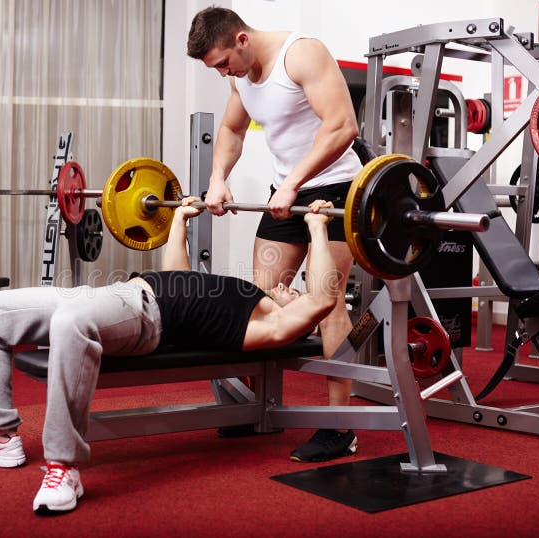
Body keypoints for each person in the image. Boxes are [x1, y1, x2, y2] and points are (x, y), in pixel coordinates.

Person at [0, 197, 339, 516]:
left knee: (70, 322)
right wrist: (180, 221)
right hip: (113, 295)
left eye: (297, 294)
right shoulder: (245, 297)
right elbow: (180, 276)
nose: (293, 288)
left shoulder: (270, 326)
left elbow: (323, 297)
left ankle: (63, 467)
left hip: (143, 317)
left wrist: (317, 230)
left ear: (301, 319)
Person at [187, 7, 362, 462]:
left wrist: (292, 182)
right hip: (286, 194)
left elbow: (342, 126)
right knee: (261, 297)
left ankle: (339, 427)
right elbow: (231, 127)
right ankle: (255, 409)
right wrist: (218, 178)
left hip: (339, 190)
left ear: (241, 39)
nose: (225, 73)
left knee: (327, 299)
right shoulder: (240, 76)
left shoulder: (302, 53)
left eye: (224, 63)